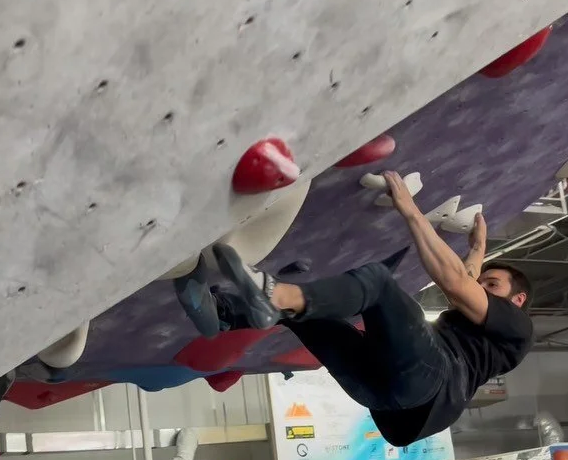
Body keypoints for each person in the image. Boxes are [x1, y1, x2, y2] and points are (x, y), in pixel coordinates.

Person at [178, 171, 533, 446]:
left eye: (494, 285)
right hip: (385, 399)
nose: (483, 287)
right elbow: (469, 279)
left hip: (432, 382)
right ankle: (222, 314)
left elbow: (457, 283)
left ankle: (273, 296)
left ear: (518, 301)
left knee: (378, 282)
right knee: (313, 316)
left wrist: (409, 209)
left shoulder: (518, 328)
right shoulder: (492, 330)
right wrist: (479, 248)